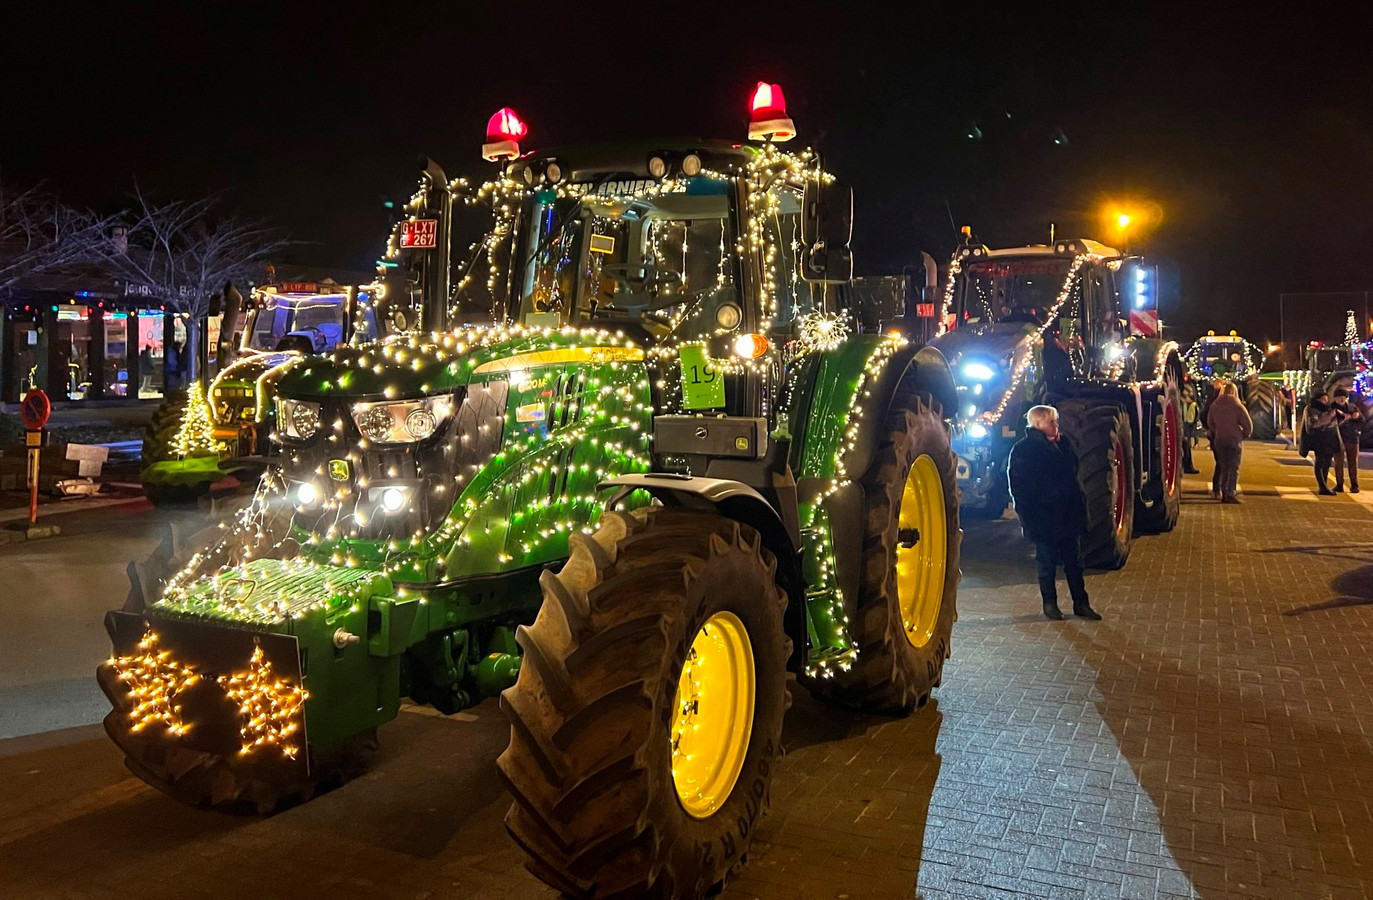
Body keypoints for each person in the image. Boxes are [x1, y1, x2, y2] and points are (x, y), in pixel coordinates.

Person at [1008, 405, 1101, 621]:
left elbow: (1073, 473)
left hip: (1068, 515)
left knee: (1074, 563)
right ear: (1038, 424)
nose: (1056, 426)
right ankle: (1050, 604)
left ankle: (1081, 603)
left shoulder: (1063, 444)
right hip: (1044, 518)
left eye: (1056, 421)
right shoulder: (1025, 450)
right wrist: (1030, 516)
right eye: (1051, 422)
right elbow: (1019, 488)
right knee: (1047, 564)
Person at [1205, 381, 1252, 503]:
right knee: (1233, 467)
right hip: (1234, 440)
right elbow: (1248, 425)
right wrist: (1242, 435)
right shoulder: (1237, 405)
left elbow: (1210, 423)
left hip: (1219, 440)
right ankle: (1230, 493)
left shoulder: (1214, 405)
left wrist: (1218, 431)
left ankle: (1222, 491)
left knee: (1223, 466)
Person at [1304, 391, 1342, 495]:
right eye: (1323, 399)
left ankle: (1325, 485)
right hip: (1319, 438)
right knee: (1320, 462)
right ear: (1317, 399)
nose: (1325, 402)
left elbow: (1336, 421)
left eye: (1326, 399)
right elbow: (1315, 423)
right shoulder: (1312, 409)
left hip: (1330, 438)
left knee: (1327, 463)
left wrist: (1339, 415)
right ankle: (1322, 486)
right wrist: (1329, 416)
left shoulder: (1328, 408)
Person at [1331, 387, 1362, 493]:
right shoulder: (1331, 408)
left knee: (1353, 463)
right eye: (1340, 397)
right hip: (1338, 438)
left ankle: (1354, 485)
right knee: (1338, 463)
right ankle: (1339, 484)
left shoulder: (1352, 407)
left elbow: (1362, 420)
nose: (1342, 399)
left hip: (1352, 438)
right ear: (1335, 398)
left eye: (1344, 397)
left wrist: (1357, 417)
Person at [1181, 383, 1201, 473]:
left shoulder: (1190, 404)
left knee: (1186, 445)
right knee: (1185, 445)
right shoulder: (1187, 388)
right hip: (1184, 424)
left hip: (1187, 424)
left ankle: (1187, 466)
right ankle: (1187, 466)